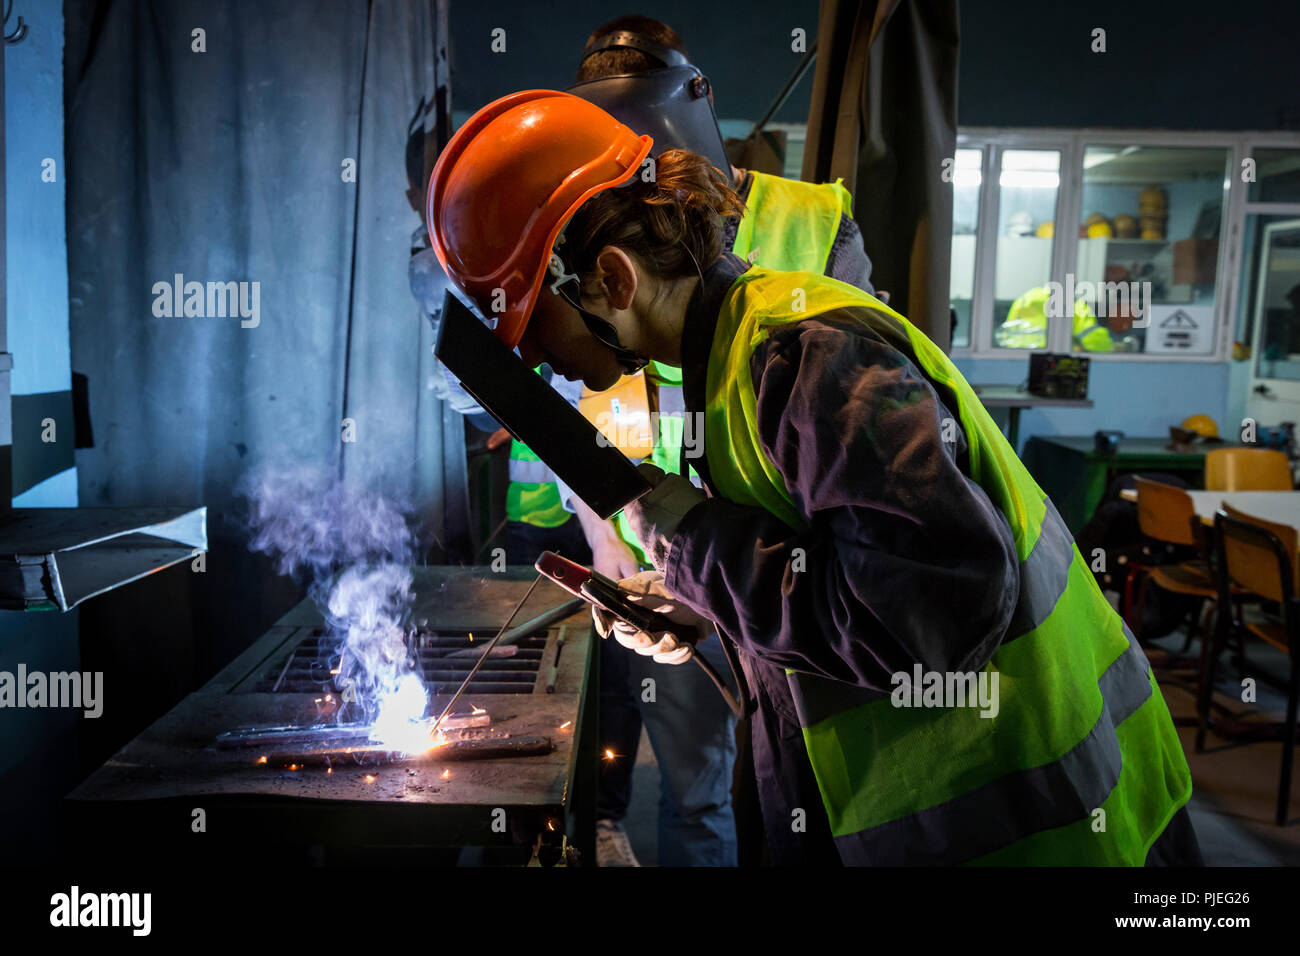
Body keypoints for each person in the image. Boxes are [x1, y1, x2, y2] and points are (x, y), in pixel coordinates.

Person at [426, 90, 1201, 865]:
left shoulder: (807, 360)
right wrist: (702, 607)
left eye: (532, 323)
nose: (533, 358)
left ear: (612, 279)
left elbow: (929, 614)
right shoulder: (723, 360)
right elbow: (830, 570)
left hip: (1035, 826)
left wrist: (691, 542)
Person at [550, 16, 879, 867]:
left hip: (791, 576)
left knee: (818, 794)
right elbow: (588, 408)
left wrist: (719, 572)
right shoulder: (592, 246)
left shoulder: (810, 240)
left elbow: (863, 492)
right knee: (719, 792)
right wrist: (613, 544)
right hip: (671, 574)